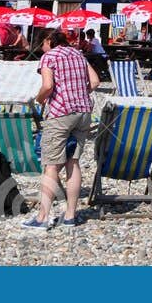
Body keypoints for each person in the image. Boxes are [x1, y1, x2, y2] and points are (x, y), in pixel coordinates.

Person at [20, 30, 98, 230]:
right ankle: (71, 216)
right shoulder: (78, 53)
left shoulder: (50, 56)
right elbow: (95, 81)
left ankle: (42, 217)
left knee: (51, 165)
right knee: (73, 162)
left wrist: (39, 100)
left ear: (48, 41)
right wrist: (79, 93)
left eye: (42, 45)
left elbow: (47, 85)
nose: (41, 49)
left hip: (61, 113)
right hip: (83, 112)